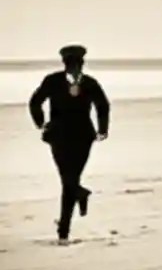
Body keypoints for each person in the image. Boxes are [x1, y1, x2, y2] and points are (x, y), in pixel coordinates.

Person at [28, 44, 110, 244]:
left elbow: (103, 105)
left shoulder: (90, 83)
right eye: (71, 63)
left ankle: (64, 229)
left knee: (69, 180)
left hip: (82, 137)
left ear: (82, 64)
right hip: (59, 136)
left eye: (77, 63)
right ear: (65, 64)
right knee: (69, 180)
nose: (74, 67)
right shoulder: (53, 81)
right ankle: (79, 197)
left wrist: (102, 129)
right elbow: (35, 102)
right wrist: (41, 123)